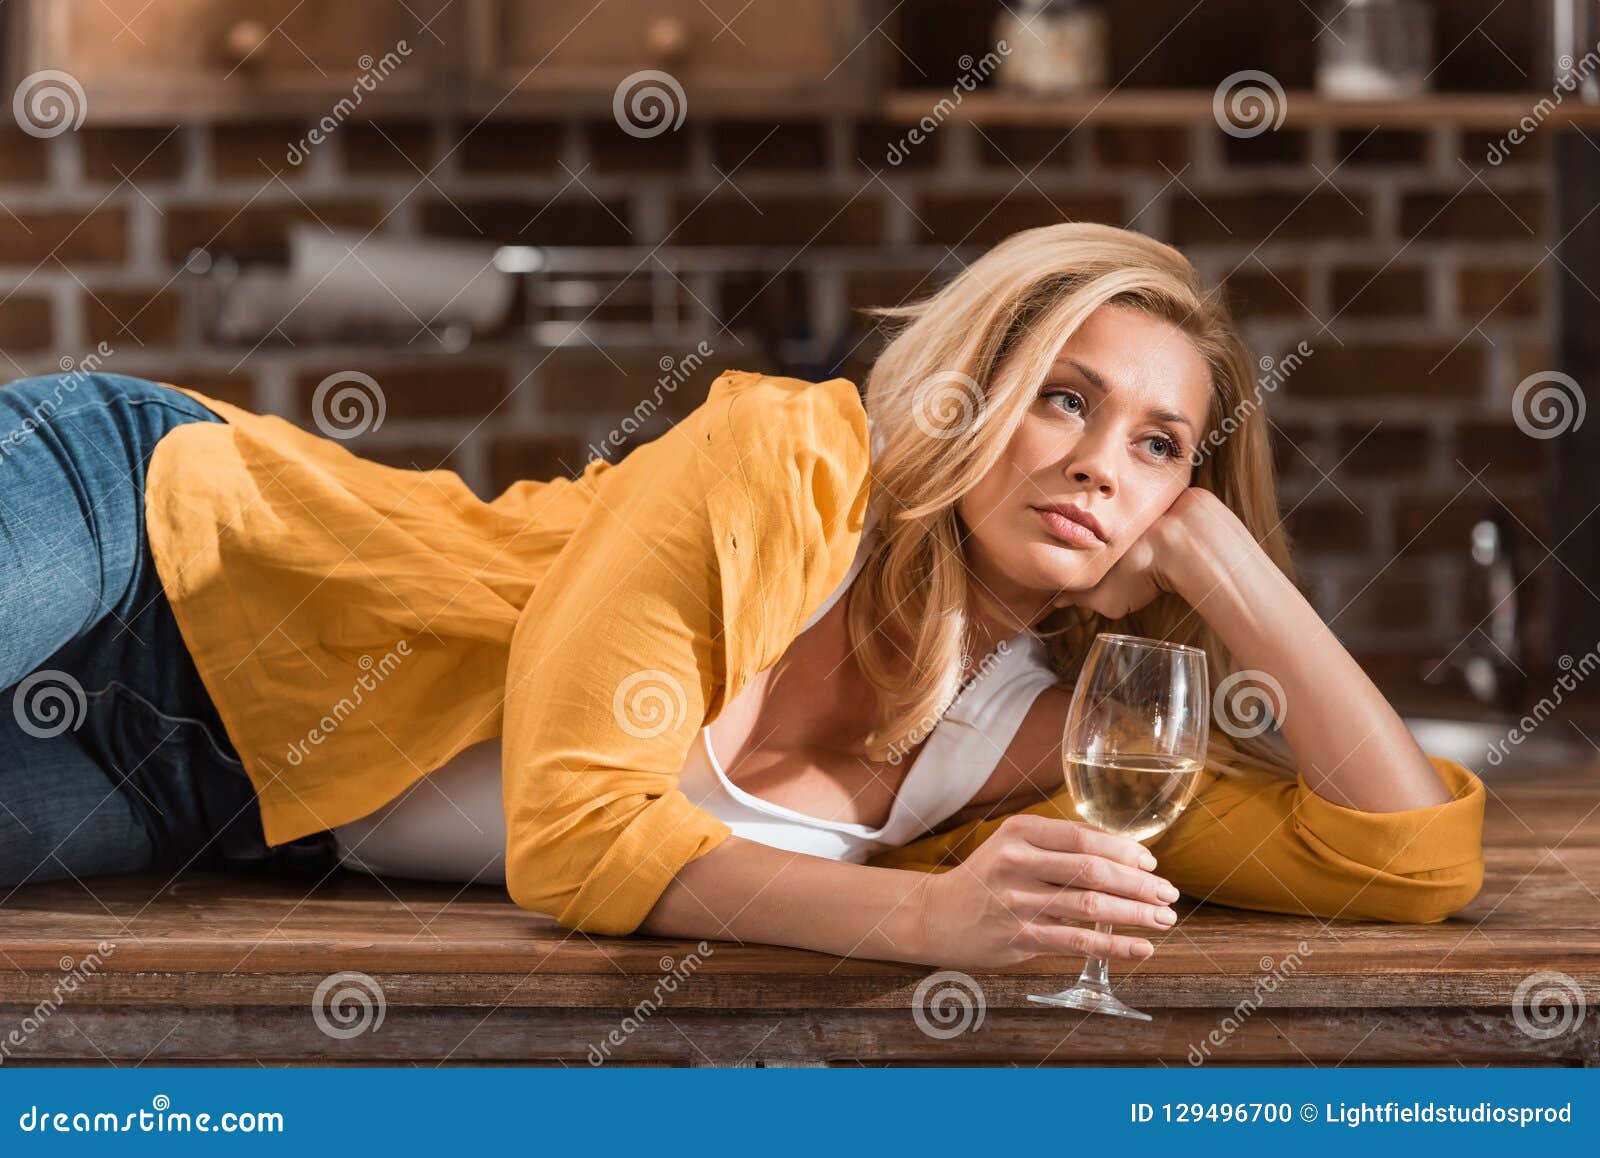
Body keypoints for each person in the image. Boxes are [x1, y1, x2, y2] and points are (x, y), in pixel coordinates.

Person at [0, 222, 1484, 969]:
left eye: (1160, 445)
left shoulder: (1053, 747)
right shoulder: (784, 463)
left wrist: (1226, 558)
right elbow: (574, 836)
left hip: (199, 791)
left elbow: (1410, 863)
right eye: (1063, 397)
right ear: (976, 394)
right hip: (155, 539)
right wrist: (930, 925)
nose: (1102, 462)